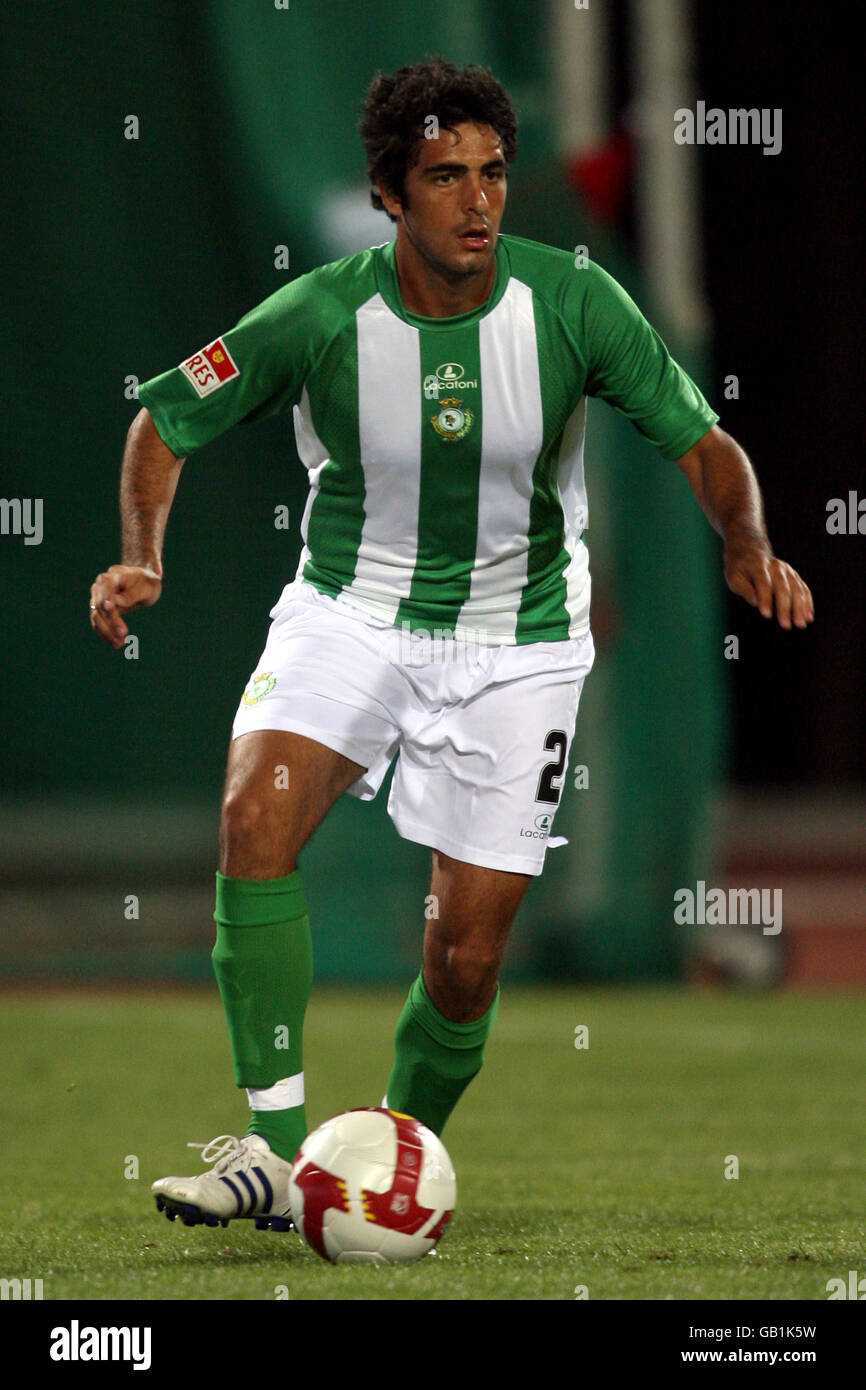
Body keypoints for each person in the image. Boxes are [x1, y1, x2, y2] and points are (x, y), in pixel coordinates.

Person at [89, 58, 813, 1231]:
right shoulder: (318, 311)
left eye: (489, 174)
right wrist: (144, 555)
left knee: (464, 961)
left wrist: (743, 535)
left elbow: (702, 439)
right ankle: (272, 1153)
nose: (475, 202)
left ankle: (389, 1159)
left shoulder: (573, 302)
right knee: (252, 814)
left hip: (516, 643)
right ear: (386, 193)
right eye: (442, 178)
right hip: (349, 613)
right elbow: (161, 422)